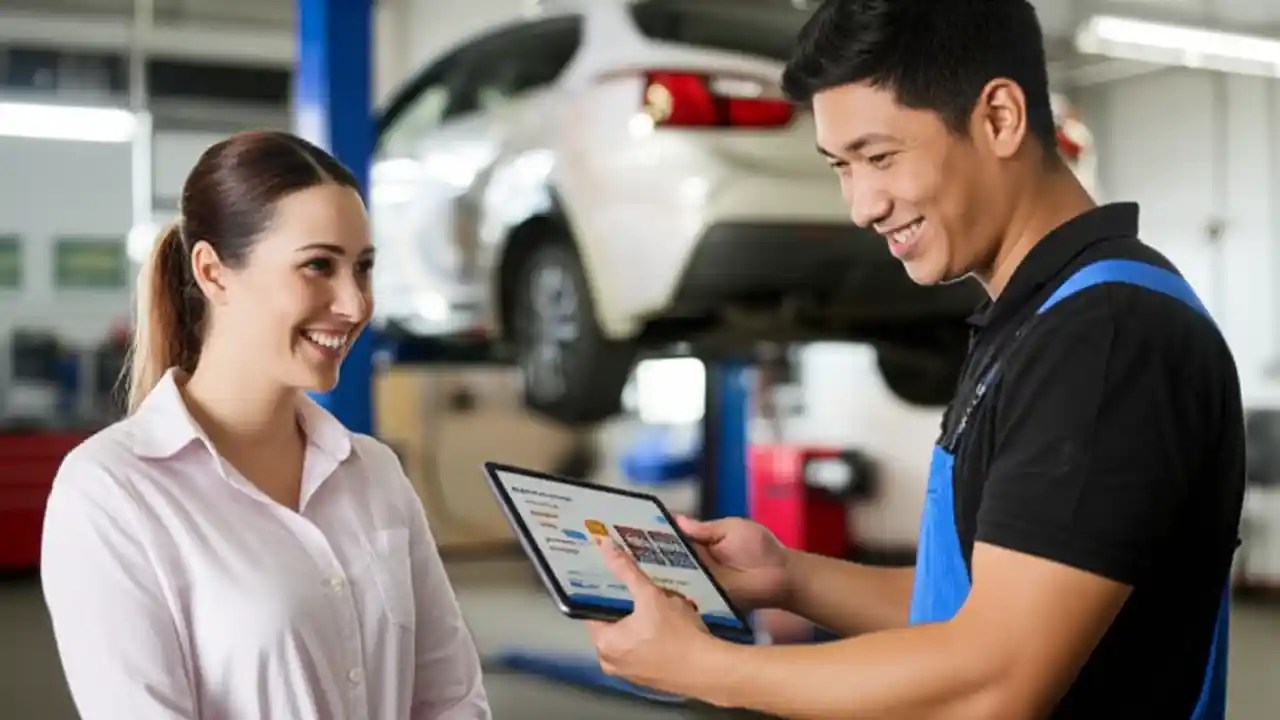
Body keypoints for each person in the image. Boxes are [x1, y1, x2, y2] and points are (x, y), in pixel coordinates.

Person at [584, 1, 1246, 718]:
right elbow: (976, 603)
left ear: (998, 117)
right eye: (841, 166)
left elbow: (993, 679)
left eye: (879, 157)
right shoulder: (1036, 320)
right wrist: (787, 576)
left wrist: (707, 667)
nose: (861, 206)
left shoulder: (1109, 337)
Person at [40, 130, 491, 720]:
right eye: (318, 267)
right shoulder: (111, 493)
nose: (354, 304)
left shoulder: (375, 474)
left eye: (363, 268)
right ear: (214, 272)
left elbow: (453, 701)